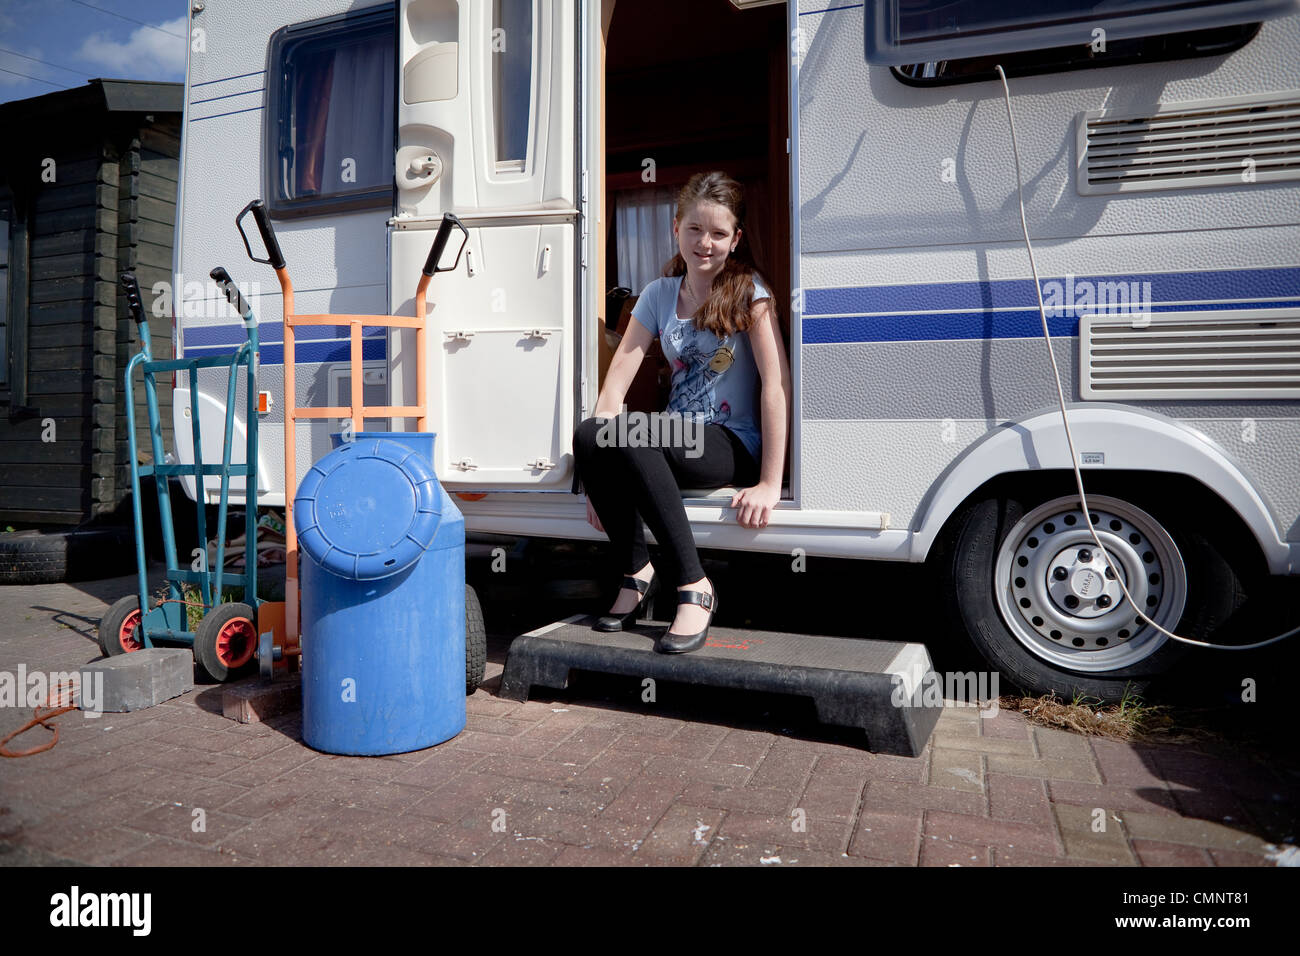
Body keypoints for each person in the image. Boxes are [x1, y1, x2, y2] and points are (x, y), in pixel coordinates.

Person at [571, 171, 792, 653]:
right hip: (672, 439)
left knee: (630, 433)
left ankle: (694, 586)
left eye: (717, 233)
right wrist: (598, 479)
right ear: (676, 229)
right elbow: (616, 386)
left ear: (736, 239)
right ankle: (636, 571)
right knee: (590, 435)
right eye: (694, 229)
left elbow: (775, 386)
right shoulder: (657, 295)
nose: (704, 243)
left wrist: (770, 484)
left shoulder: (750, 293)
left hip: (728, 443)